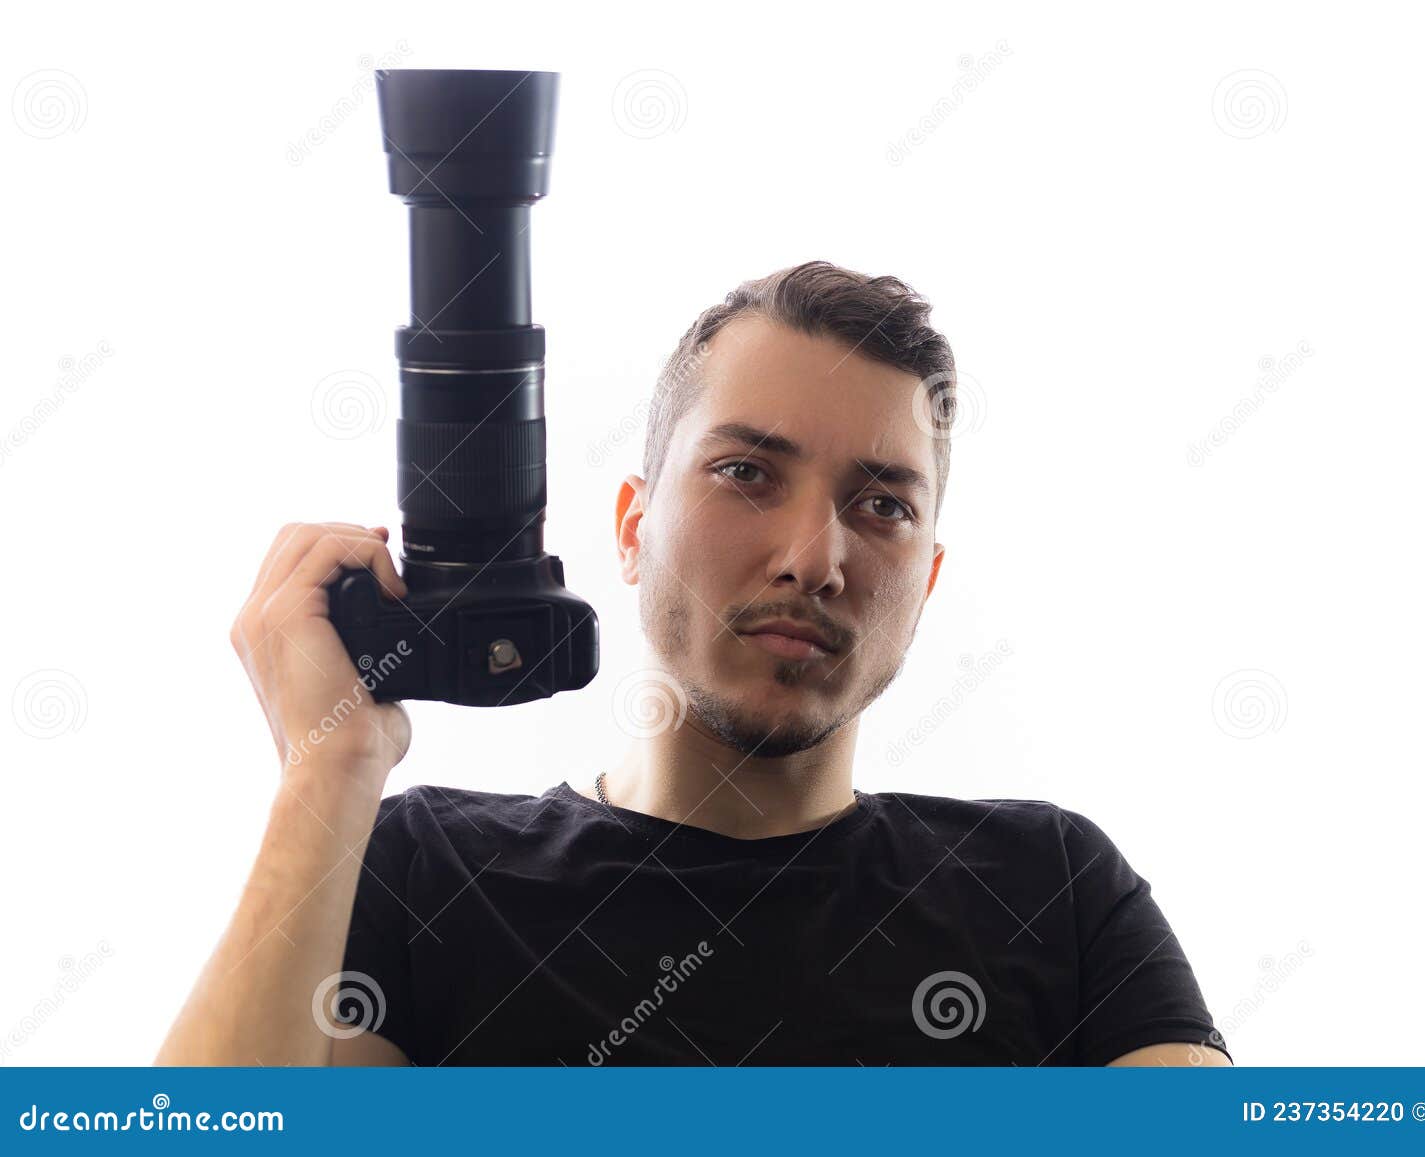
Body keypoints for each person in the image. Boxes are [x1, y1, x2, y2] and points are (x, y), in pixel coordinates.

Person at [156, 261, 1231, 1067]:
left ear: (928, 576)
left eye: (883, 505)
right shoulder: (422, 873)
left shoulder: (1051, 888)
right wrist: (327, 769)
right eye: (746, 472)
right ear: (631, 527)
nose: (815, 557)